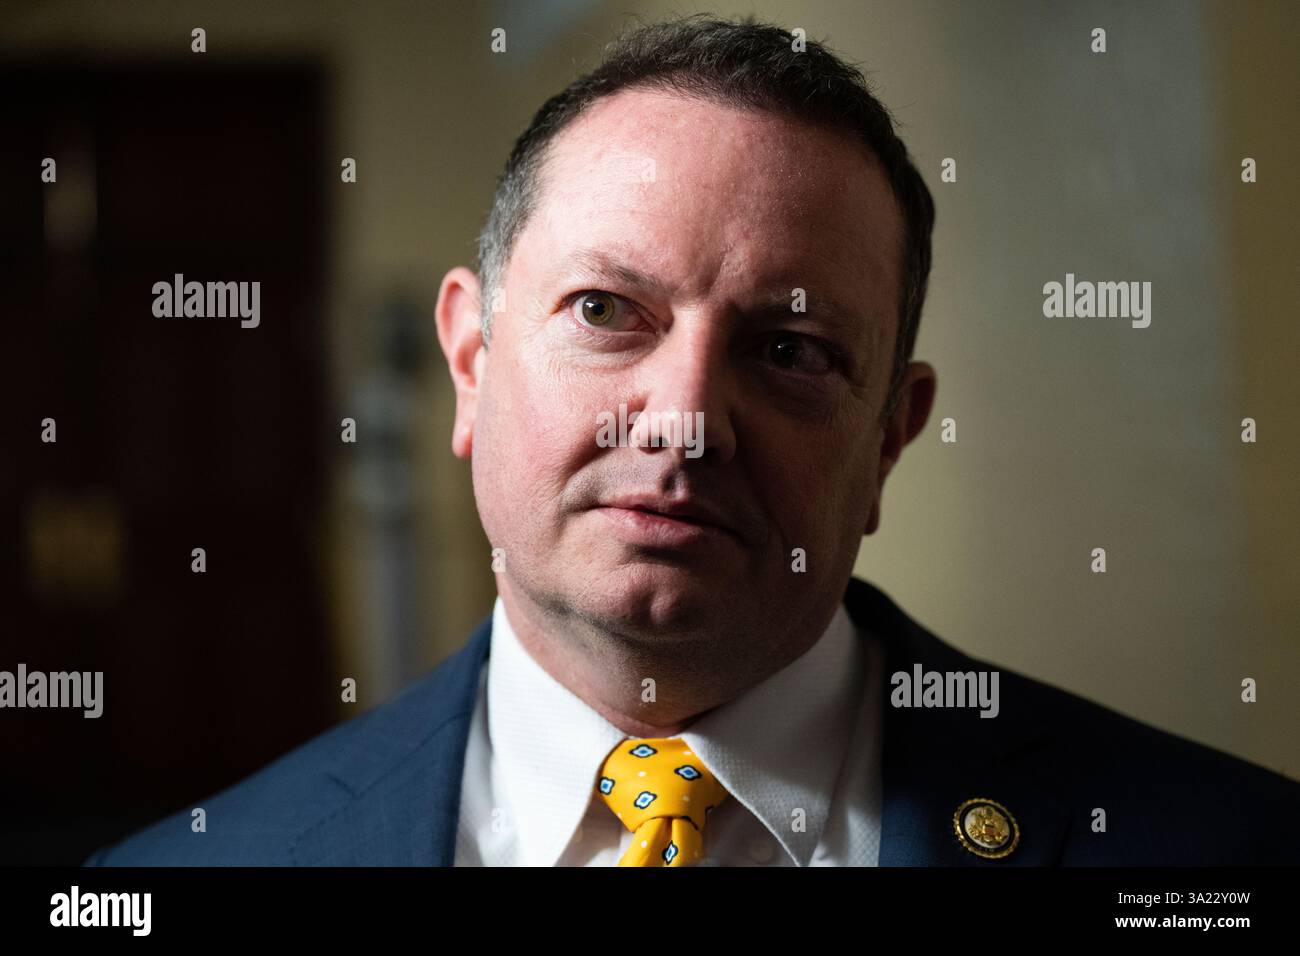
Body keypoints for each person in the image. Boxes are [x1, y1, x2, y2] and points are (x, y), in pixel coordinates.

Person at [84, 14, 1299, 868]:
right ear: (470, 361)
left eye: (789, 349)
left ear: (888, 437)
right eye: (607, 312)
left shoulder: (1222, 857)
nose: (683, 417)